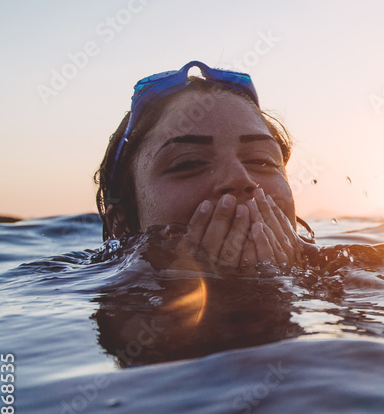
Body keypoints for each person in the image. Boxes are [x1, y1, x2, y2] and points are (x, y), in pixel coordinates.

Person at [94, 60, 318, 273]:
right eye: (189, 163)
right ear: (122, 226)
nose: (239, 178)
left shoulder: (346, 276)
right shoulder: (71, 285)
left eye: (262, 160)